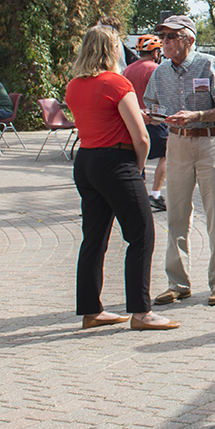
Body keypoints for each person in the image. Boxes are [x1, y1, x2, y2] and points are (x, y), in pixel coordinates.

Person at [63, 26, 175, 332]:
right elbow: (141, 137)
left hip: (86, 161)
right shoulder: (116, 82)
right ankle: (141, 312)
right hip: (117, 161)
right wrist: (137, 169)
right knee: (141, 234)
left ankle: (90, 310)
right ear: (111, 50)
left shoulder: (74, 85)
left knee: (94, 238)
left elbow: (97, 116)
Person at [143, 14, 215, 307]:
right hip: (177, 142)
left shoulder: (209, 64)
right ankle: (177, 284)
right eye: (163, 36)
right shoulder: (160, 72)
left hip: (210, 142)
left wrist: (196, 115)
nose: (164, 42)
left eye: (171, 36)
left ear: (189, 39)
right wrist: (153, 115)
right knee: (176, 216)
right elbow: (151, 103)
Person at [125, 35, 168, 211]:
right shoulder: (156, 69)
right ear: (155, 52)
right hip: (153, 118)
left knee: (137, 157)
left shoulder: (127, 70)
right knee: (167, 153)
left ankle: (138, 194)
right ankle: (155, 194)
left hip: (132, 119)